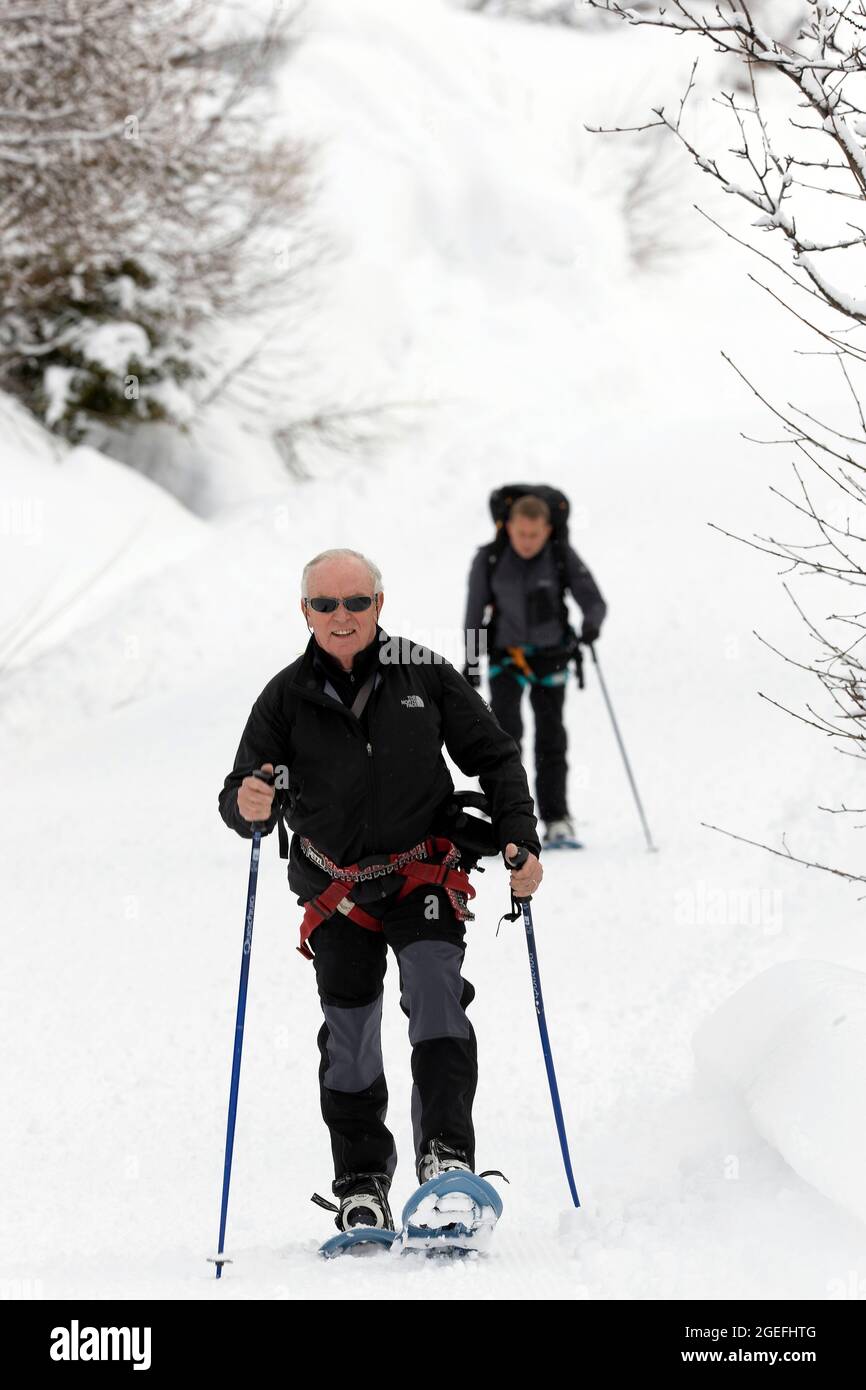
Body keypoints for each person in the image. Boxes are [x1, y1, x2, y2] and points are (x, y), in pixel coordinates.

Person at [218, 547, 542, 1235]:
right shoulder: (284, 695)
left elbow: (495, 756)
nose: (342, 617)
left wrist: (520, 837)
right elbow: (244, 793)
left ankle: (447, 1161)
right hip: (336, 891)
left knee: (433, 990)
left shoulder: (423, 673)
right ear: (304, 611)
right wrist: (248, 802)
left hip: (422, 873)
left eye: (356, 603)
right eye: (326, 605)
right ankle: (362, 1182)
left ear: (379, 604)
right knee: (352, 1034)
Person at [463, 492, 607, 849]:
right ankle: (502, 816)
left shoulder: (560, 556)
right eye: (520, 533)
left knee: (551, 737)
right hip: (505, 658)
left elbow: (593, 599)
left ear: (547, 530)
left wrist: (591, 624)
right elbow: (474, 612)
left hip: (551, 657)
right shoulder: (490, 558)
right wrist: (471, 660)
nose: (527, 541)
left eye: (534, 534)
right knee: (504, 740)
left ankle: (557, 818)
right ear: (508, 527)